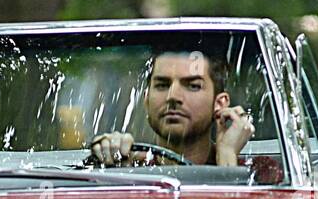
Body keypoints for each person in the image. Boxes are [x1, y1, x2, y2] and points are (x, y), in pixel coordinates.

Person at [88, 50, 254, 167]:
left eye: (193, 86)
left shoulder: (259, 173)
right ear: (146, 100)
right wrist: (108, 155)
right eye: (162, 85)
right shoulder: (128, 168)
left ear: (219, 103)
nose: (172, 96)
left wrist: (226, 156)